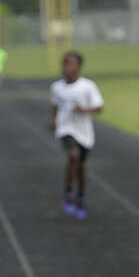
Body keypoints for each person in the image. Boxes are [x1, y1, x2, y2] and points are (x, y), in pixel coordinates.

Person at [49, 51, 103, 220]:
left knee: (80, 166)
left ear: (79, 67)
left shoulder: (88, 86)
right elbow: (55, 106)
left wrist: (83, 110)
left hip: (84, 132)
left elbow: (99, 108)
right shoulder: (57, 87)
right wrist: (53, 120)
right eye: (63, 63)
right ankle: (68, 193)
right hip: (66, 128)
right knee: (73, 155)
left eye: (69, 63)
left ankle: (80, 196)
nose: (65, 67)